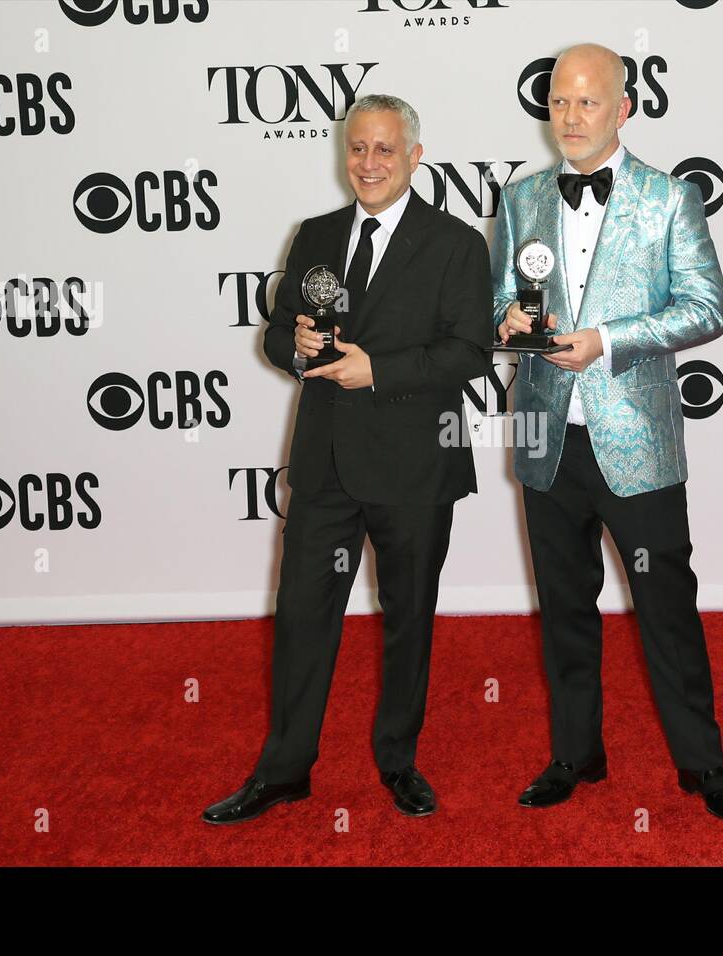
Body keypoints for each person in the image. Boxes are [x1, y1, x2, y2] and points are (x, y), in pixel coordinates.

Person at [203, 93, 491, 823]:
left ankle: (399, 761)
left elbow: (468, 351)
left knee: (408, 615)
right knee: (301, 614)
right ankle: (284, 769)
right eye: (358, 148)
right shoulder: (316, 235)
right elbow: (276, 335)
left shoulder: (456, 242)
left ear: (415, 157)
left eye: (385, 149)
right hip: (326, 462)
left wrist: (380, 371)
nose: (369, 163)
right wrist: (296, 351)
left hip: (415, 466)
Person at [491, 44, 723, 822]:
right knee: (564, 606)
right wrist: (506, 320)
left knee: (666, 606)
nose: (570, 118)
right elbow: (501, 300)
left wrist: (607, 339)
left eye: (588, 103)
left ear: (624, 109)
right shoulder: (520, 197)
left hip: (636, 443)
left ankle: (704, 767)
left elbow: (706, 309)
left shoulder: (669, 197)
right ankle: (576, 755)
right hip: (547, 438)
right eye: (559, 102)